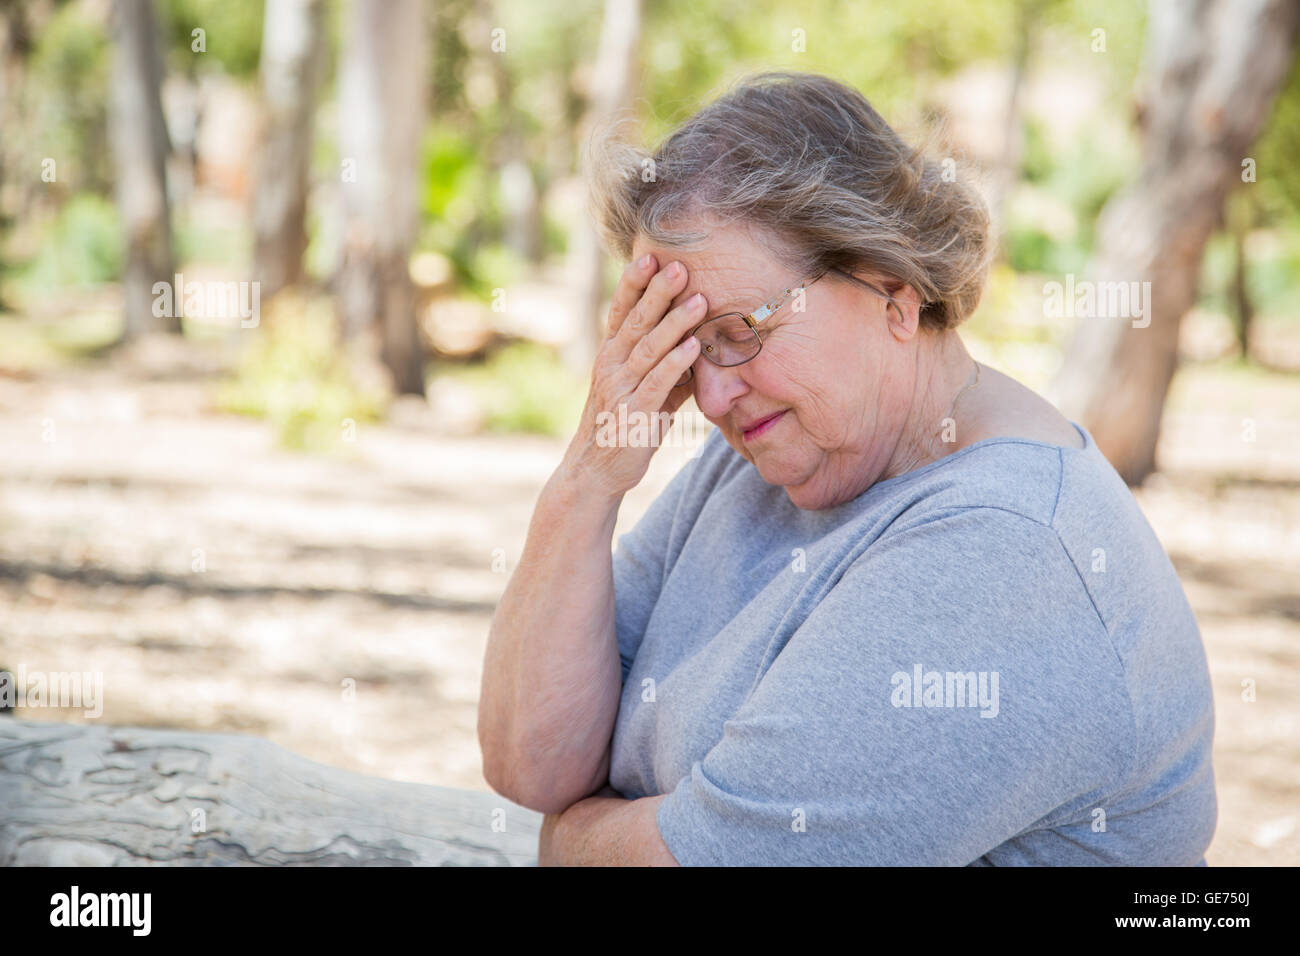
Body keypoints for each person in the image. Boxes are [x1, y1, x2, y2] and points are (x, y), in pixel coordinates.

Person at [477, 71, 1217, 866]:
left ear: (892, 293)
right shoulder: (771, 454)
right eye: (684, 347)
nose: (712, 393)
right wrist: (590, 477)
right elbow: (533, 765)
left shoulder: (1000, 551)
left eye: (739, 329)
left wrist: (573, 838)